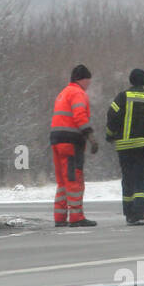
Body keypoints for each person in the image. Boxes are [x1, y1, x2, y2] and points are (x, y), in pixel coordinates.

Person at [49, 64, 99, 227]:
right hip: (71, 142)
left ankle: (60, 217)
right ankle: (77, 217)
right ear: (82, 79)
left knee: (63, 181)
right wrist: (91, 137)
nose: (89, 85)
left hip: (56, 140)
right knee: (74, 179)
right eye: (88, 81)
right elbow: (80, 116)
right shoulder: (78, 93)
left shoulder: (63, 93)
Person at [105, 68, 144, 225]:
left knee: (127, 179)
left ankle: (129, 214)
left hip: (125, 146)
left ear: (130, 80)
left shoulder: (123, 96)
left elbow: (112, 115)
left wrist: (110, 134)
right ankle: (139, 214)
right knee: (141, 180)